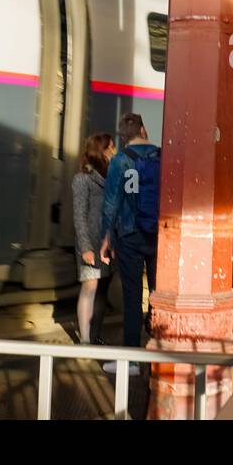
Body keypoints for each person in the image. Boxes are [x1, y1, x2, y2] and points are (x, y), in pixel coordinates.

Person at [99, 113, 161, 352]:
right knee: (158, 292)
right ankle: (157, 341)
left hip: (129, 235)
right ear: (143, 130)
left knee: (132, 296)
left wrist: (106, 237)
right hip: (158, 234)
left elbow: (111, 203)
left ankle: (132, 357)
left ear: (123, 138)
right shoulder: (161, 155)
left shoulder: (120, 160)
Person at [72, 133, 116, 345]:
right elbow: (79, 215)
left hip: (106, 243)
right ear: (102, 150)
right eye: (111, 147)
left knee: (102, 291)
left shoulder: (111, 177)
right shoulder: (82, 179)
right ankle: (86, 338)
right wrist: (85, 248)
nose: (114, 151)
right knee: (90, 287)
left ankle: (95, 334)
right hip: (89, 242)